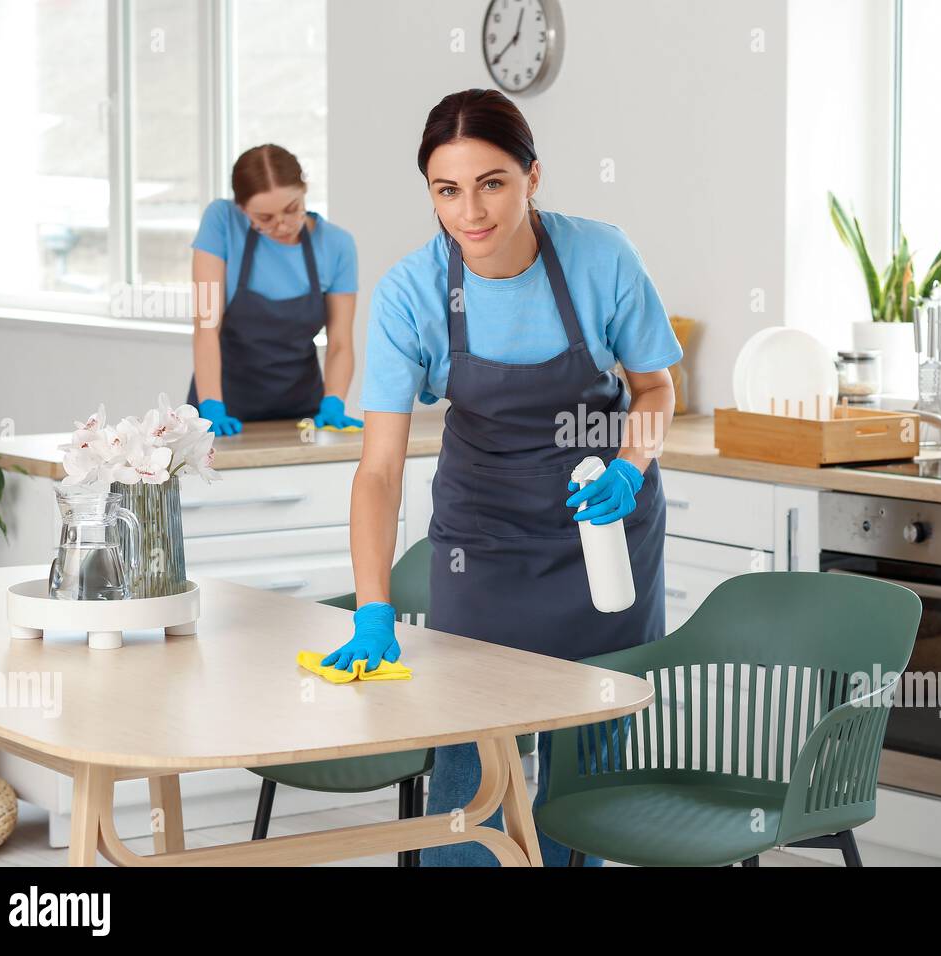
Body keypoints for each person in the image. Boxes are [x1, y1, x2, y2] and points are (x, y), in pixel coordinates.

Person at [322, 89, 682, 866]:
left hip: (601, 534)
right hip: (480, 540)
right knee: (467, 763)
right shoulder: (411, 292)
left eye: (492, 183)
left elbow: (656, 389)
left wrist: (630, 466)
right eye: (447, 190)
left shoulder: (601, 256)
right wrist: (374, 607)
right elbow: (379, 470)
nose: (470, 212)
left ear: (533, 177)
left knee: (584, 765)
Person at [188, 144, 364, 435]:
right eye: (265, 219)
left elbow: (341, 342)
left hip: (301, 412)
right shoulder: (221, 220)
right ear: (242, 209)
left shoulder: (337, 245)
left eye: (292, 209)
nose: (282, 226)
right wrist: (211, 407)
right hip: (223, 406)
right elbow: (206, 325)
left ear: (304, 188)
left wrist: (334, 401)